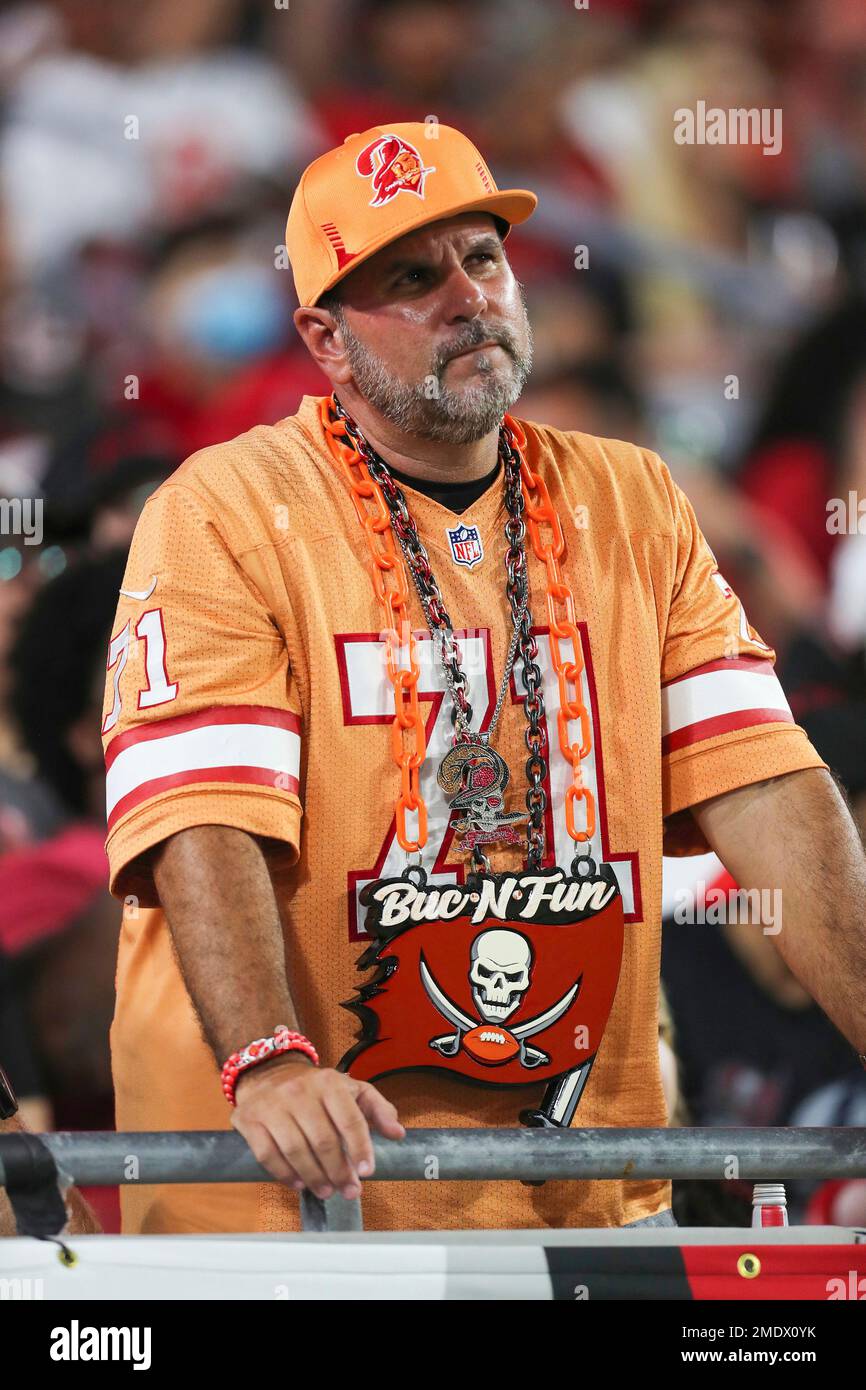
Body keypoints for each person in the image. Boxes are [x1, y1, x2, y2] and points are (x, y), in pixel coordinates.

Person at [103, 122, 866, 1235]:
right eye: (410, 279)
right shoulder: (219, 510)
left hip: (583, 1194)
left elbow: (766, 789)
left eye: (482, 259)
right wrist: (269, 1065)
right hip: (294, 1203)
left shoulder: (634, 499)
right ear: (322, 337)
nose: (465, 296)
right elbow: (200, 823)